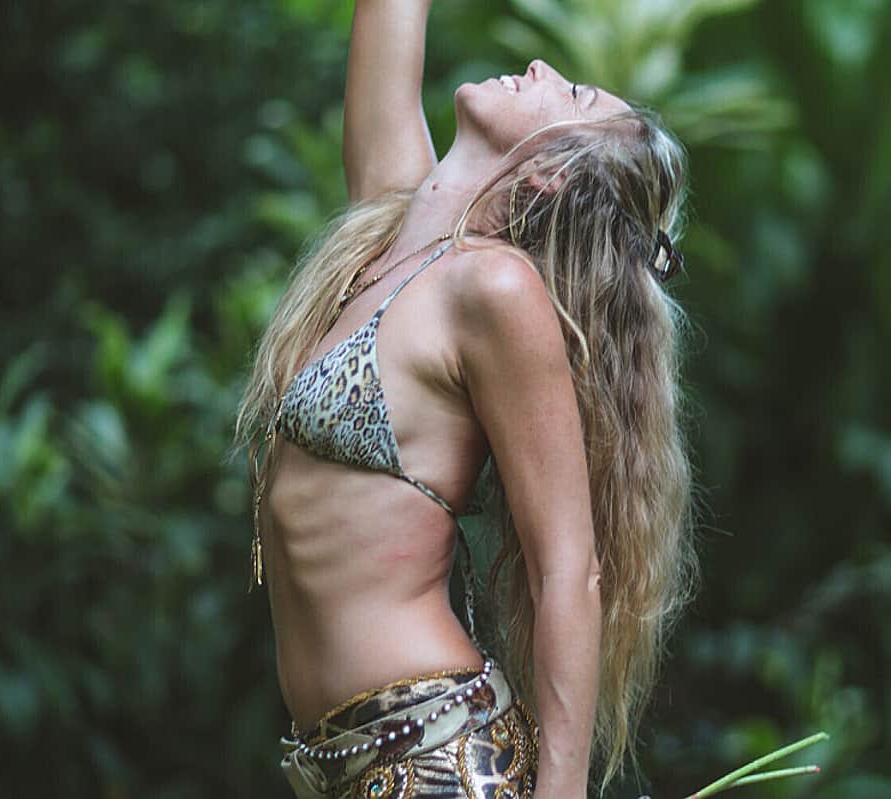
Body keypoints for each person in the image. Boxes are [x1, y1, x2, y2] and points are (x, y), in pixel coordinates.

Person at [234, 2, 696, 797]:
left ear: (554, 171)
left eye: (575, 95)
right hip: (343, 770)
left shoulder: (494, 290)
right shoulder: (383, 233)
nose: (545, 70)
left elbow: (569, 569)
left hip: (438, 763)